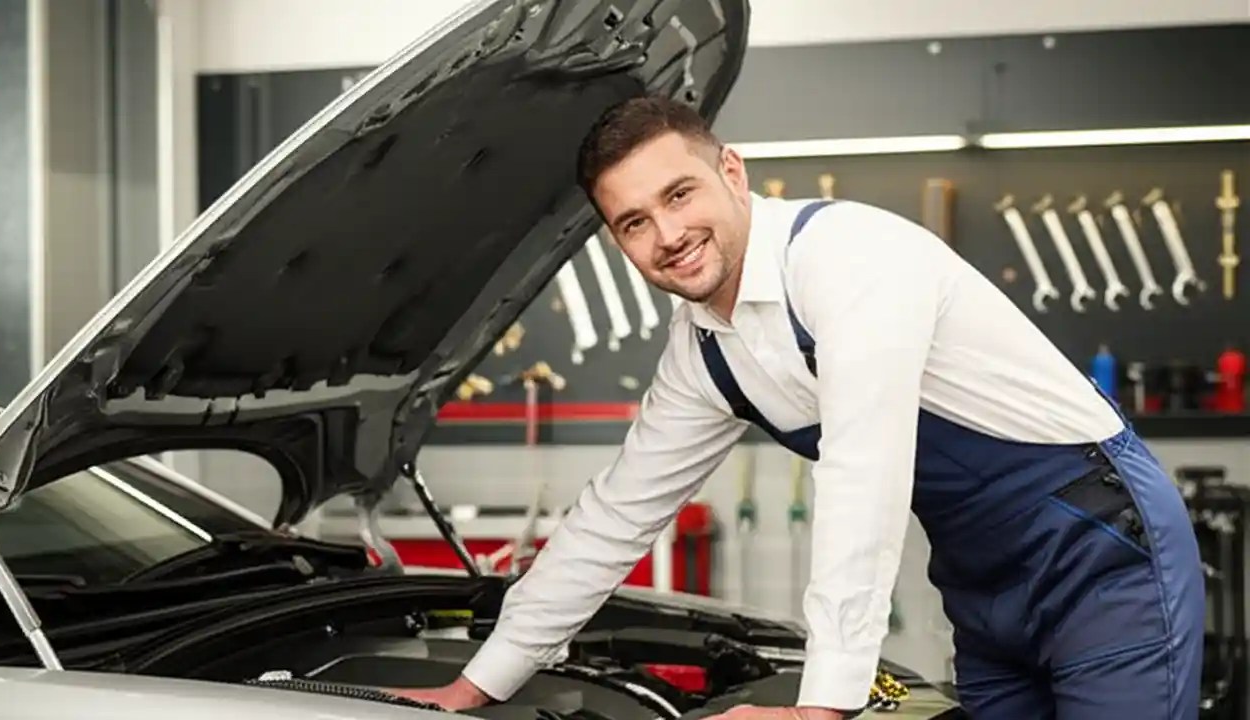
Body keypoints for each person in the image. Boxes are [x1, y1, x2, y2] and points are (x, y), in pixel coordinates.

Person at [390, 95, 1204, 719]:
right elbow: (615, 518)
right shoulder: (703, 348)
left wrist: (823, 704)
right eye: (634, 223)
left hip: (1101, 555)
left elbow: (864, 473)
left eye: (680, 194)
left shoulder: (850, 259)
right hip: (982, 586)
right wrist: (476, 686)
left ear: (733, 173)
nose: (667, 234)